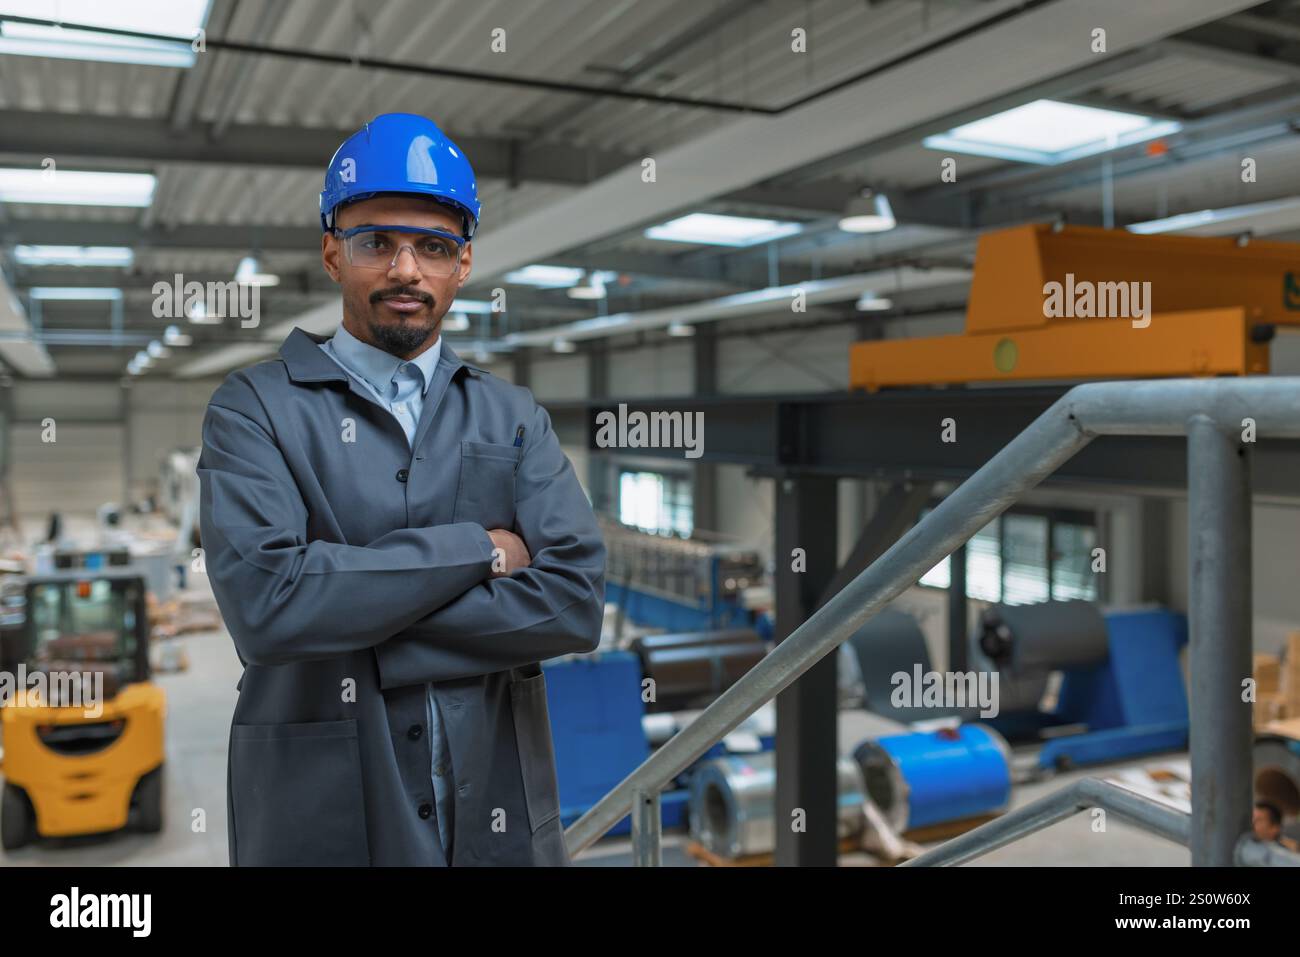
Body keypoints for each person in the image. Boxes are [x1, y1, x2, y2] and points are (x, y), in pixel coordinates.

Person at [197, 113, 606, 866]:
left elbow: (576, 600)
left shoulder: (511, 415)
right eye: (375, 242)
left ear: (463, 264)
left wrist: (357, 622)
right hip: (324, 821)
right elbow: (268, 607)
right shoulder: (254, 408)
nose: (405, 270)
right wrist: (479, 548)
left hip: (494, 820)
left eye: (433, 246)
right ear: (332, 252)